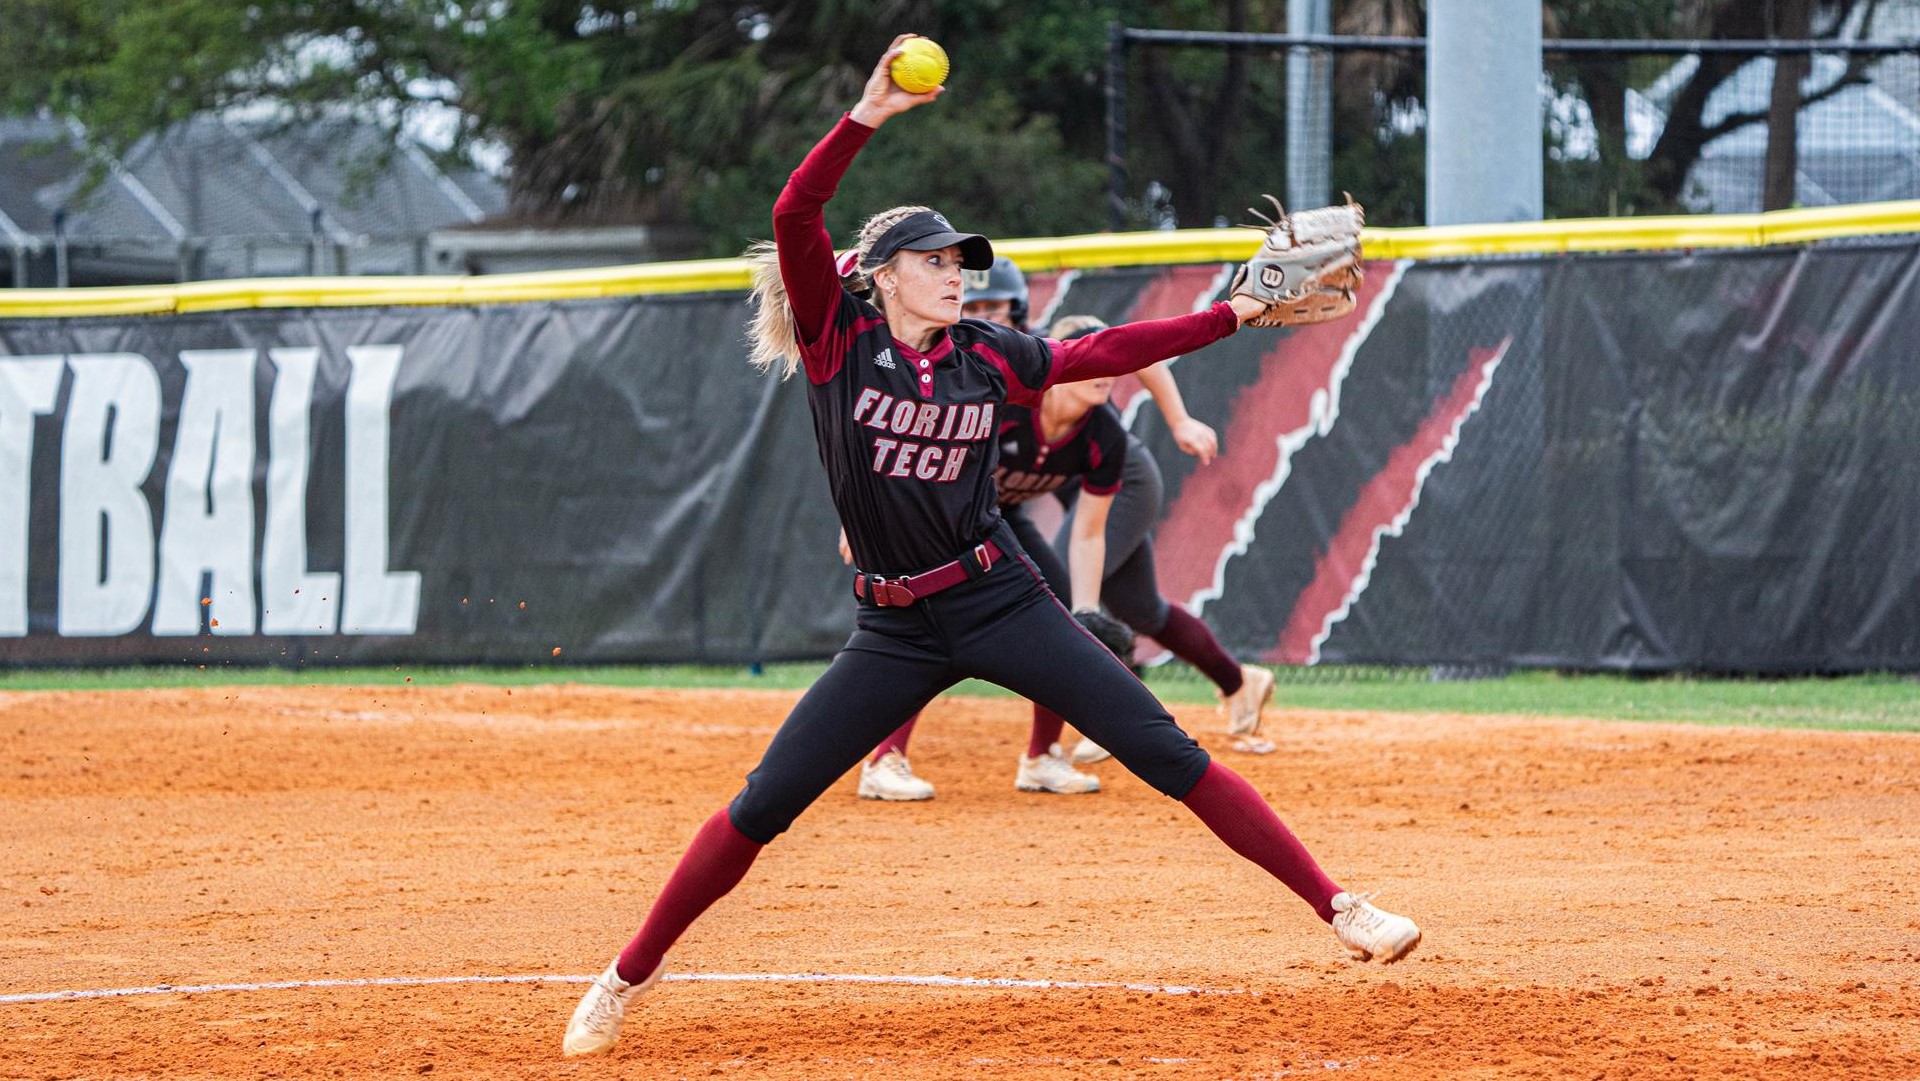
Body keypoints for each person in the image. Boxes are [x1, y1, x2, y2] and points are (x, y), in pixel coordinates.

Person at [562, 37, 1420, 1058]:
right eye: (934, 263)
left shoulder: (985, 354)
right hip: (893, 627)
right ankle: (622, 979)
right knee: (763, 806)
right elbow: (796, 215)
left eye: (962, 263)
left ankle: (1341, 907)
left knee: (1167, 753)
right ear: (882, 279)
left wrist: (1232, 313)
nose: (956, 276)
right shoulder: (840, 339)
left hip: (998, 598)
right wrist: (868, 113)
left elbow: (1098, 352)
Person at [969, 260, 1280, 761]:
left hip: (1118, 472)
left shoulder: (1040, 346)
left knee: (1068, 597)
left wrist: (1178, 420)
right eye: (972, 307)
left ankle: (1107, 716)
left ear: (1018, 308)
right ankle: (1238, 681)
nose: (983, 315)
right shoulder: (974, 368)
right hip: (1071, 474)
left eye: (993, 306)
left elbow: (1135, 350)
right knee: (1141, 609)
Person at [853, 320, 1129, 800]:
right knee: (926, 621)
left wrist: (1085, 607)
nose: (1102, 370)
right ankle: (885, 759)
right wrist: (856, 521)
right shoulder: (1010, 408)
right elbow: (907, 444)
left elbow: (1088, 532)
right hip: (931, 508)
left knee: (1058, 616)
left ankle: (1042, 758)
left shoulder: (1105, 435)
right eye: (1087, 357)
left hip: (998, 516)